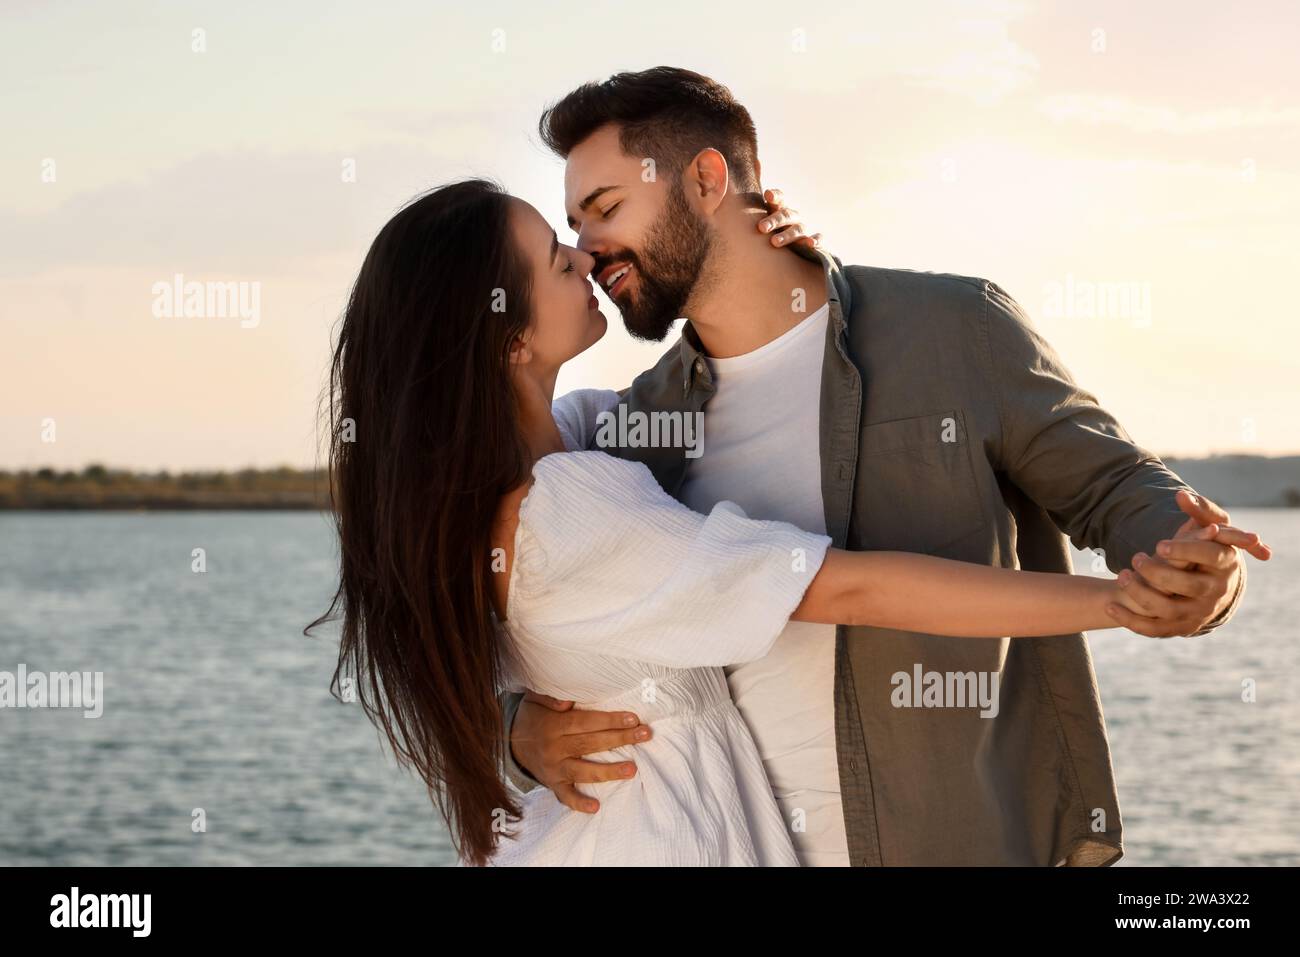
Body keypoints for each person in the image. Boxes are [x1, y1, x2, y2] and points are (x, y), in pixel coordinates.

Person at [310, 174, 1268, 866]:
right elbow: (849, 586)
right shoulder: (568, 502)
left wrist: (775, 277)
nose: (590, 257)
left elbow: (1112, 481)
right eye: (564, 254)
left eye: (598, 218)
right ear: (512, 333)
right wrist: (1120, 604)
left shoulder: (575, 440)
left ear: (710, 182)